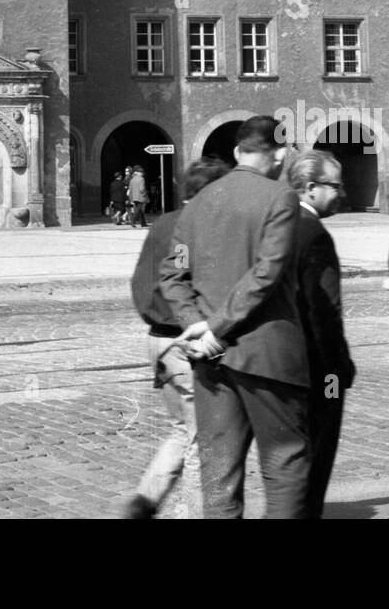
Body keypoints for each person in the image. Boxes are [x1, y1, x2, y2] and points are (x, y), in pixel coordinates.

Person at [160, 117, 311, 519]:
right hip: (267, 357)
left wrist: (196, 324)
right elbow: (267, 272)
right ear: (280, 153)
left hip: (209, 361)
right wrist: (216, 326)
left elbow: (172, 273)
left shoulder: (201, 201)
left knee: (219, 474)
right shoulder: (281, 198)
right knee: (284, 467)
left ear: (236, 152)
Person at [121, 155, 232, 519]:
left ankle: (144, 501)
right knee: (203, 443)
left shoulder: (163, 223)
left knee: (182, 431)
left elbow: (142, 282)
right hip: (186, 343)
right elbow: (183, 278)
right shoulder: (197, 227)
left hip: (157, 339)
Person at [288, 151, 355, 518]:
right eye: (334, 186)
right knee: (320, 444)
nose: (341, 193)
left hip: (284, 363)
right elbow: (325, 311)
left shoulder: (278, 222)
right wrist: (339, 368)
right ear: (311, 188)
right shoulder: (314, 234)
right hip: (320, 368)